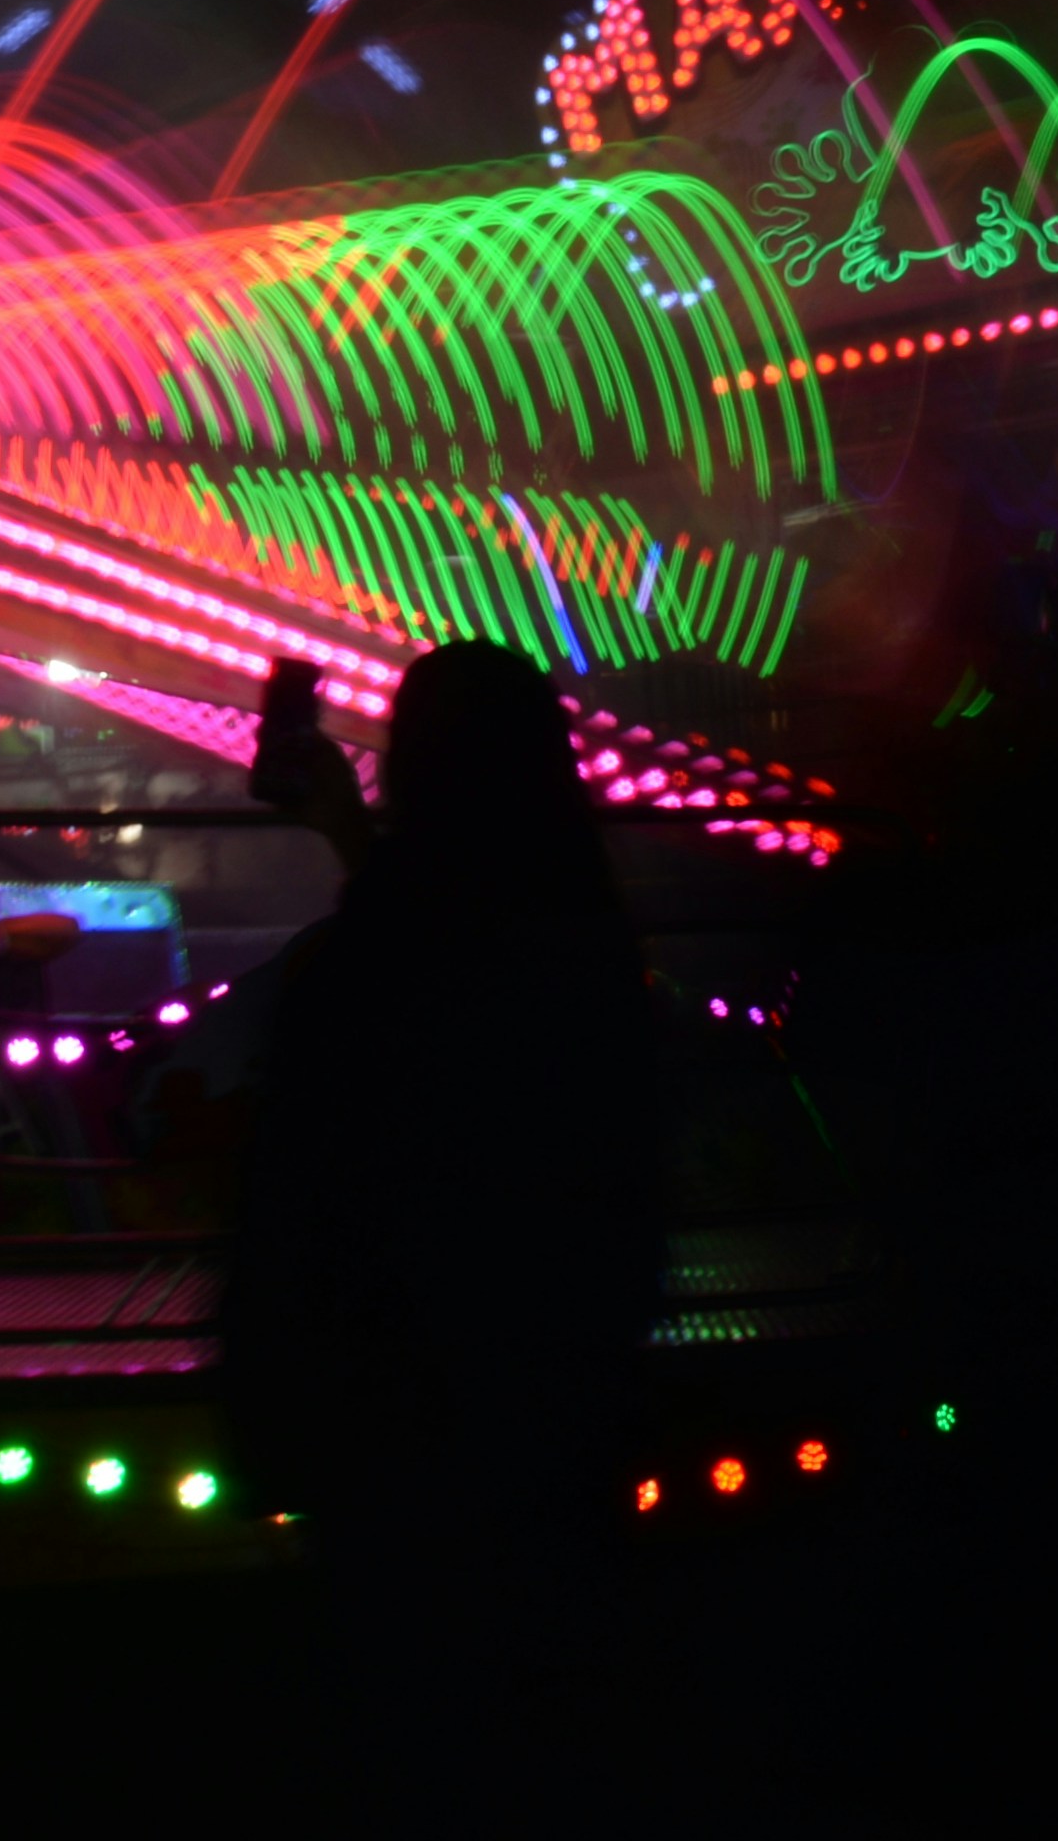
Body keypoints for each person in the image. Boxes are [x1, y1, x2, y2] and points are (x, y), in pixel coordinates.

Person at [225, 640, 661, 1794]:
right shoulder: (585, 938)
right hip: (552, 1378)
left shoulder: (371, 964)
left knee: (412, 1700)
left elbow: (321, 1162)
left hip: (398, 1397)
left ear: (409, 766)